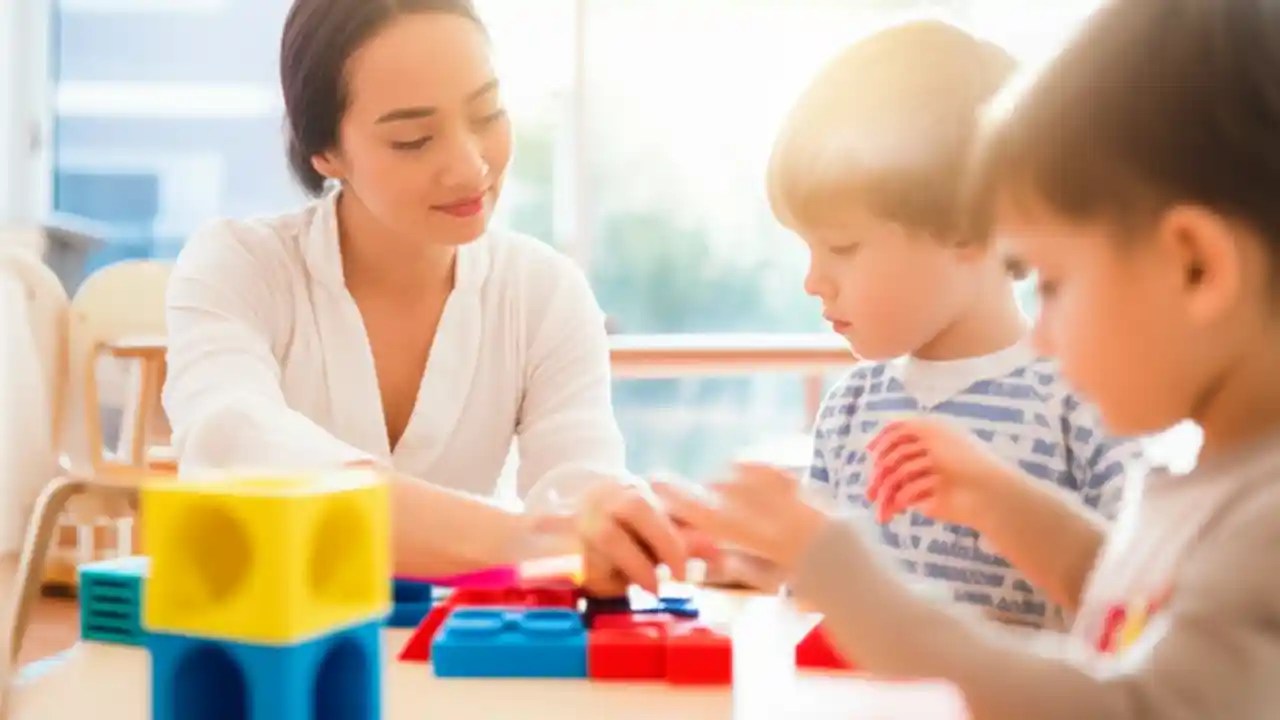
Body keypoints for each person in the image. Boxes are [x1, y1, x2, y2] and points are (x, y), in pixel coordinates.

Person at [659, 0, 1280, 717]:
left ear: (1196, 268)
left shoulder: (1262, 526)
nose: (1041, 336)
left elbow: (1130, 705)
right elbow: (1119, 605)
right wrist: (1001, 502)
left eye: (1052, 282)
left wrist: (862, 587)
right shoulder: (1216, 488)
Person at [161, 0, 690, 590]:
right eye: (413, 140)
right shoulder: (239, 266)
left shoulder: (544, 293)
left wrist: (617, 527)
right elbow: (234, 443)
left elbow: (579, 489)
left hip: (456, 658)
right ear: (327, 153)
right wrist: (528, 539)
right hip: (266, 651)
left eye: (488, 113)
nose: (469, 168)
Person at [740, 19, 1141, 628]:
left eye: (842, 247)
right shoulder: (850, 408)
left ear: (968, 225)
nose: (813, 281)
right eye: (808, 248)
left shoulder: (1084, 401)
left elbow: (1140, 605)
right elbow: (815, 605)